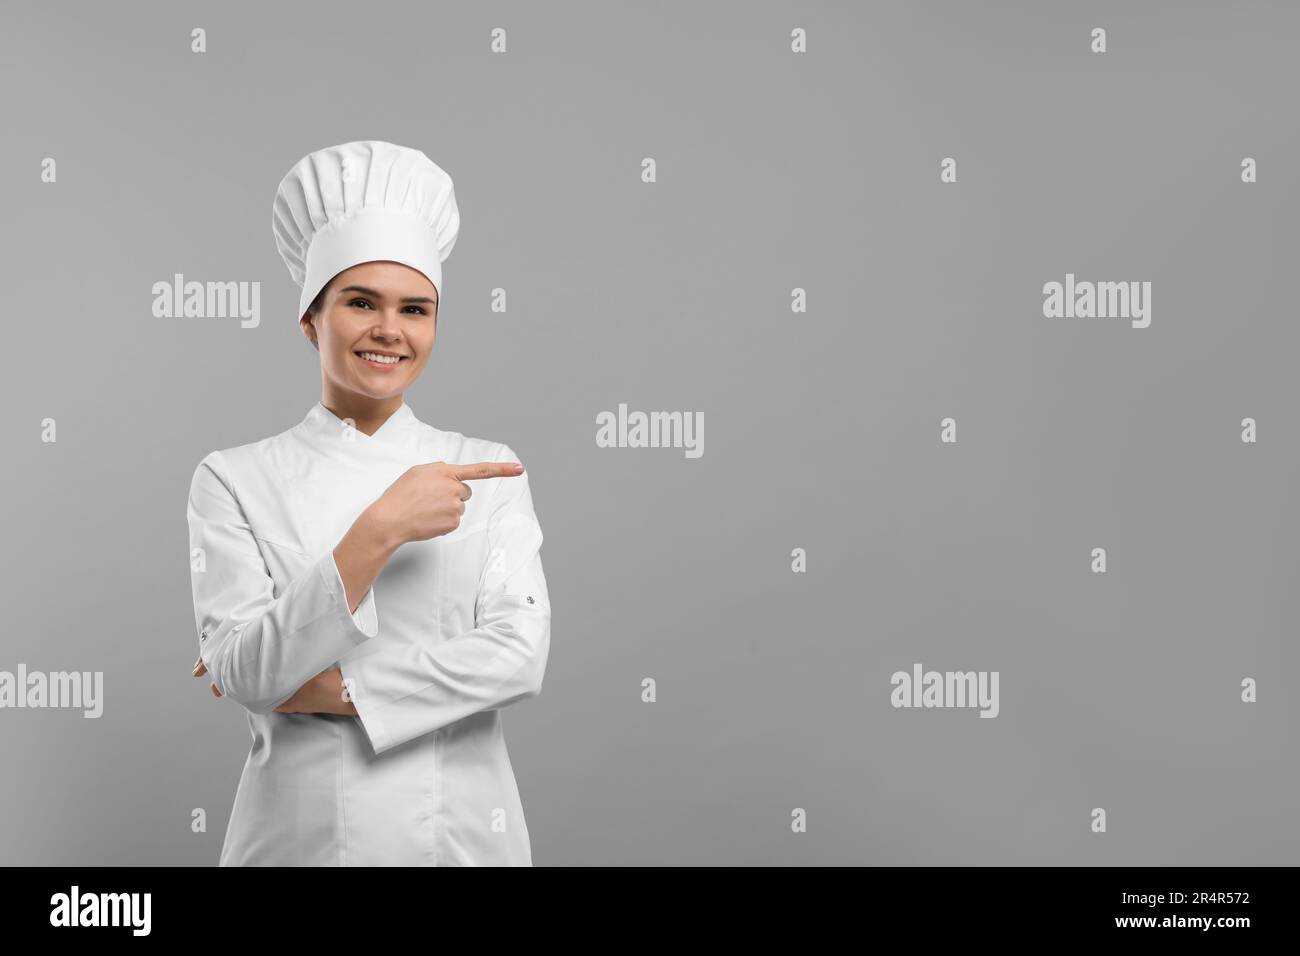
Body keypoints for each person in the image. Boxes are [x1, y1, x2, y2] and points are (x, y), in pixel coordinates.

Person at [186, 140, 551, 866]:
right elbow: (248, 676)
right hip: (299, 841)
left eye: (415, 309)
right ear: (310, 320)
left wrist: (330, 688)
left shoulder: (486, 470)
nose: (391, 329)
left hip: (462, 836)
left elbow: (519, 655)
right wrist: (379, 530)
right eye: (361, 302)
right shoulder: (233, 478)